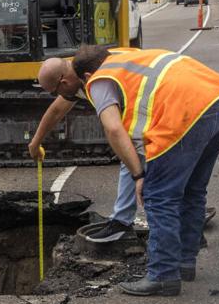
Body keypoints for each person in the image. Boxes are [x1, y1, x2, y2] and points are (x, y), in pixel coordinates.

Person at [71, 44, 219, 297]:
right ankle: (184, 263)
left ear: (86, 76)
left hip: (187, 117)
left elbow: (114, 129)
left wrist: (139, 175)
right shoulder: (126, 57)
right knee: (192, 192)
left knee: (160, 197)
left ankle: (163, 275)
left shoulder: (100, 79)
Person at [28, 56, 140, 243]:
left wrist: (138, 174)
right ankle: (123, 222)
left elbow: (113, 128)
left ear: (63, 82)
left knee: (138, 160)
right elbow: (56, 110)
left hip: (155, 105)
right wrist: (35, 142)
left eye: (55, 91)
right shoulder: (75, 75)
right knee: (131, 159)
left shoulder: (95, 79)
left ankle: (127, 225)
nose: (57, 96)